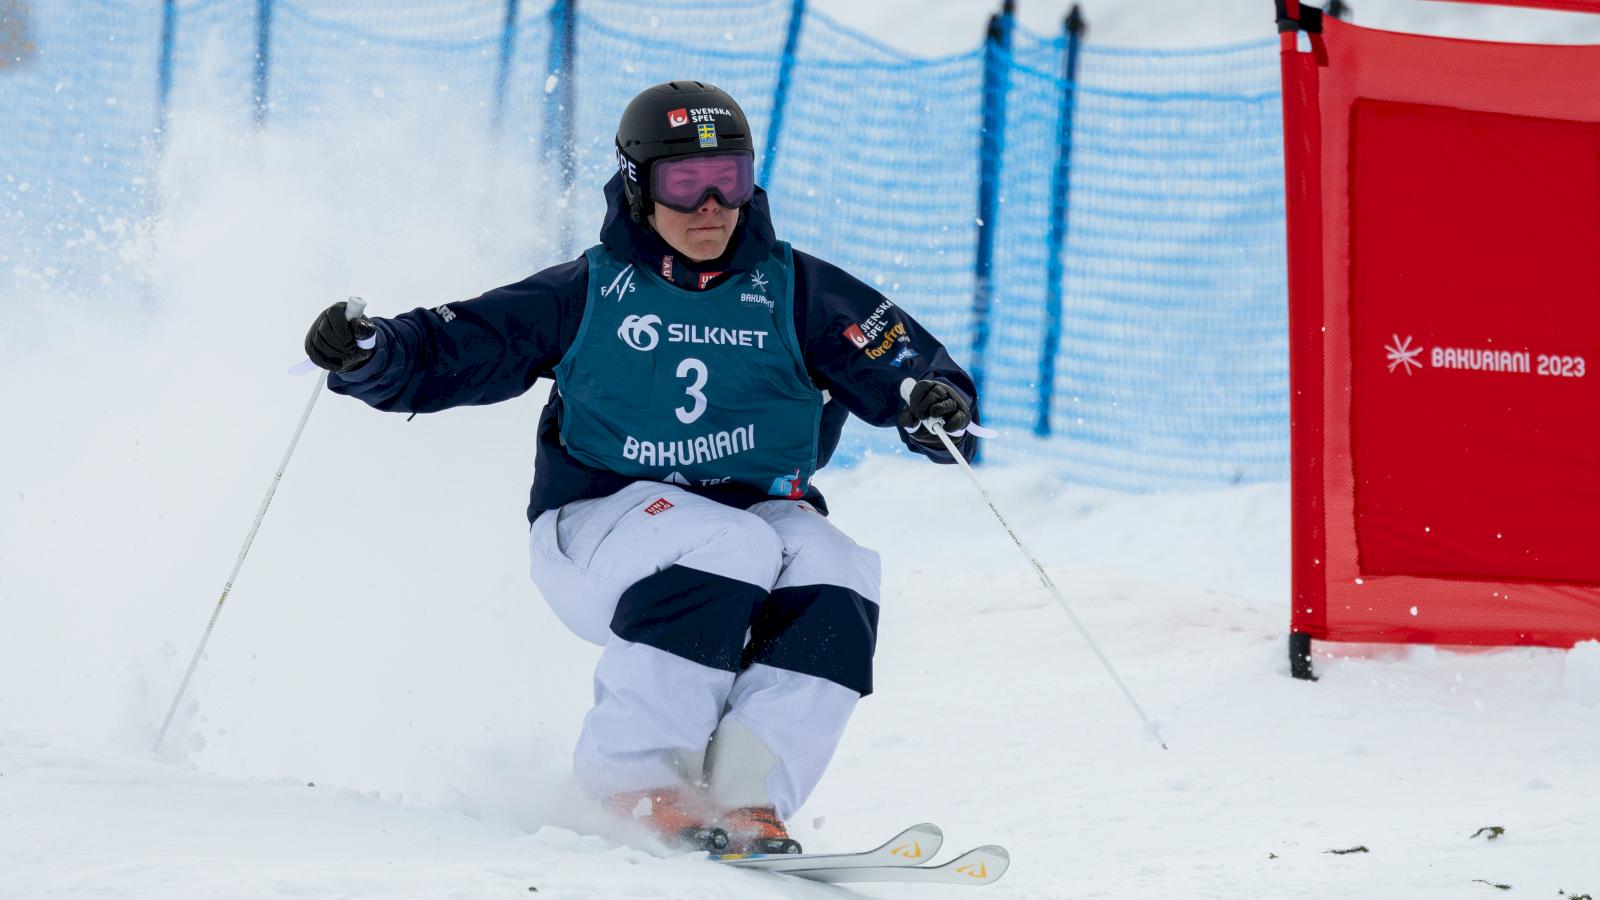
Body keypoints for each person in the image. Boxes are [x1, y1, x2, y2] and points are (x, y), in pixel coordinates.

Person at [304, 80, 979, 856]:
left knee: (839, 566)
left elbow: (909, 371)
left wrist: (937, 405)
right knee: (731, 544)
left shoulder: (797, 292)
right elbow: (452, 349)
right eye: (684, 183)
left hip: (753, 519)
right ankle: (634, 784)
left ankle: (743, 795)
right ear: (638, 185)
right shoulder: (590, 291)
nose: (711, 208)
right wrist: (370, 353)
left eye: (730, 179)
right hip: (597, 529)